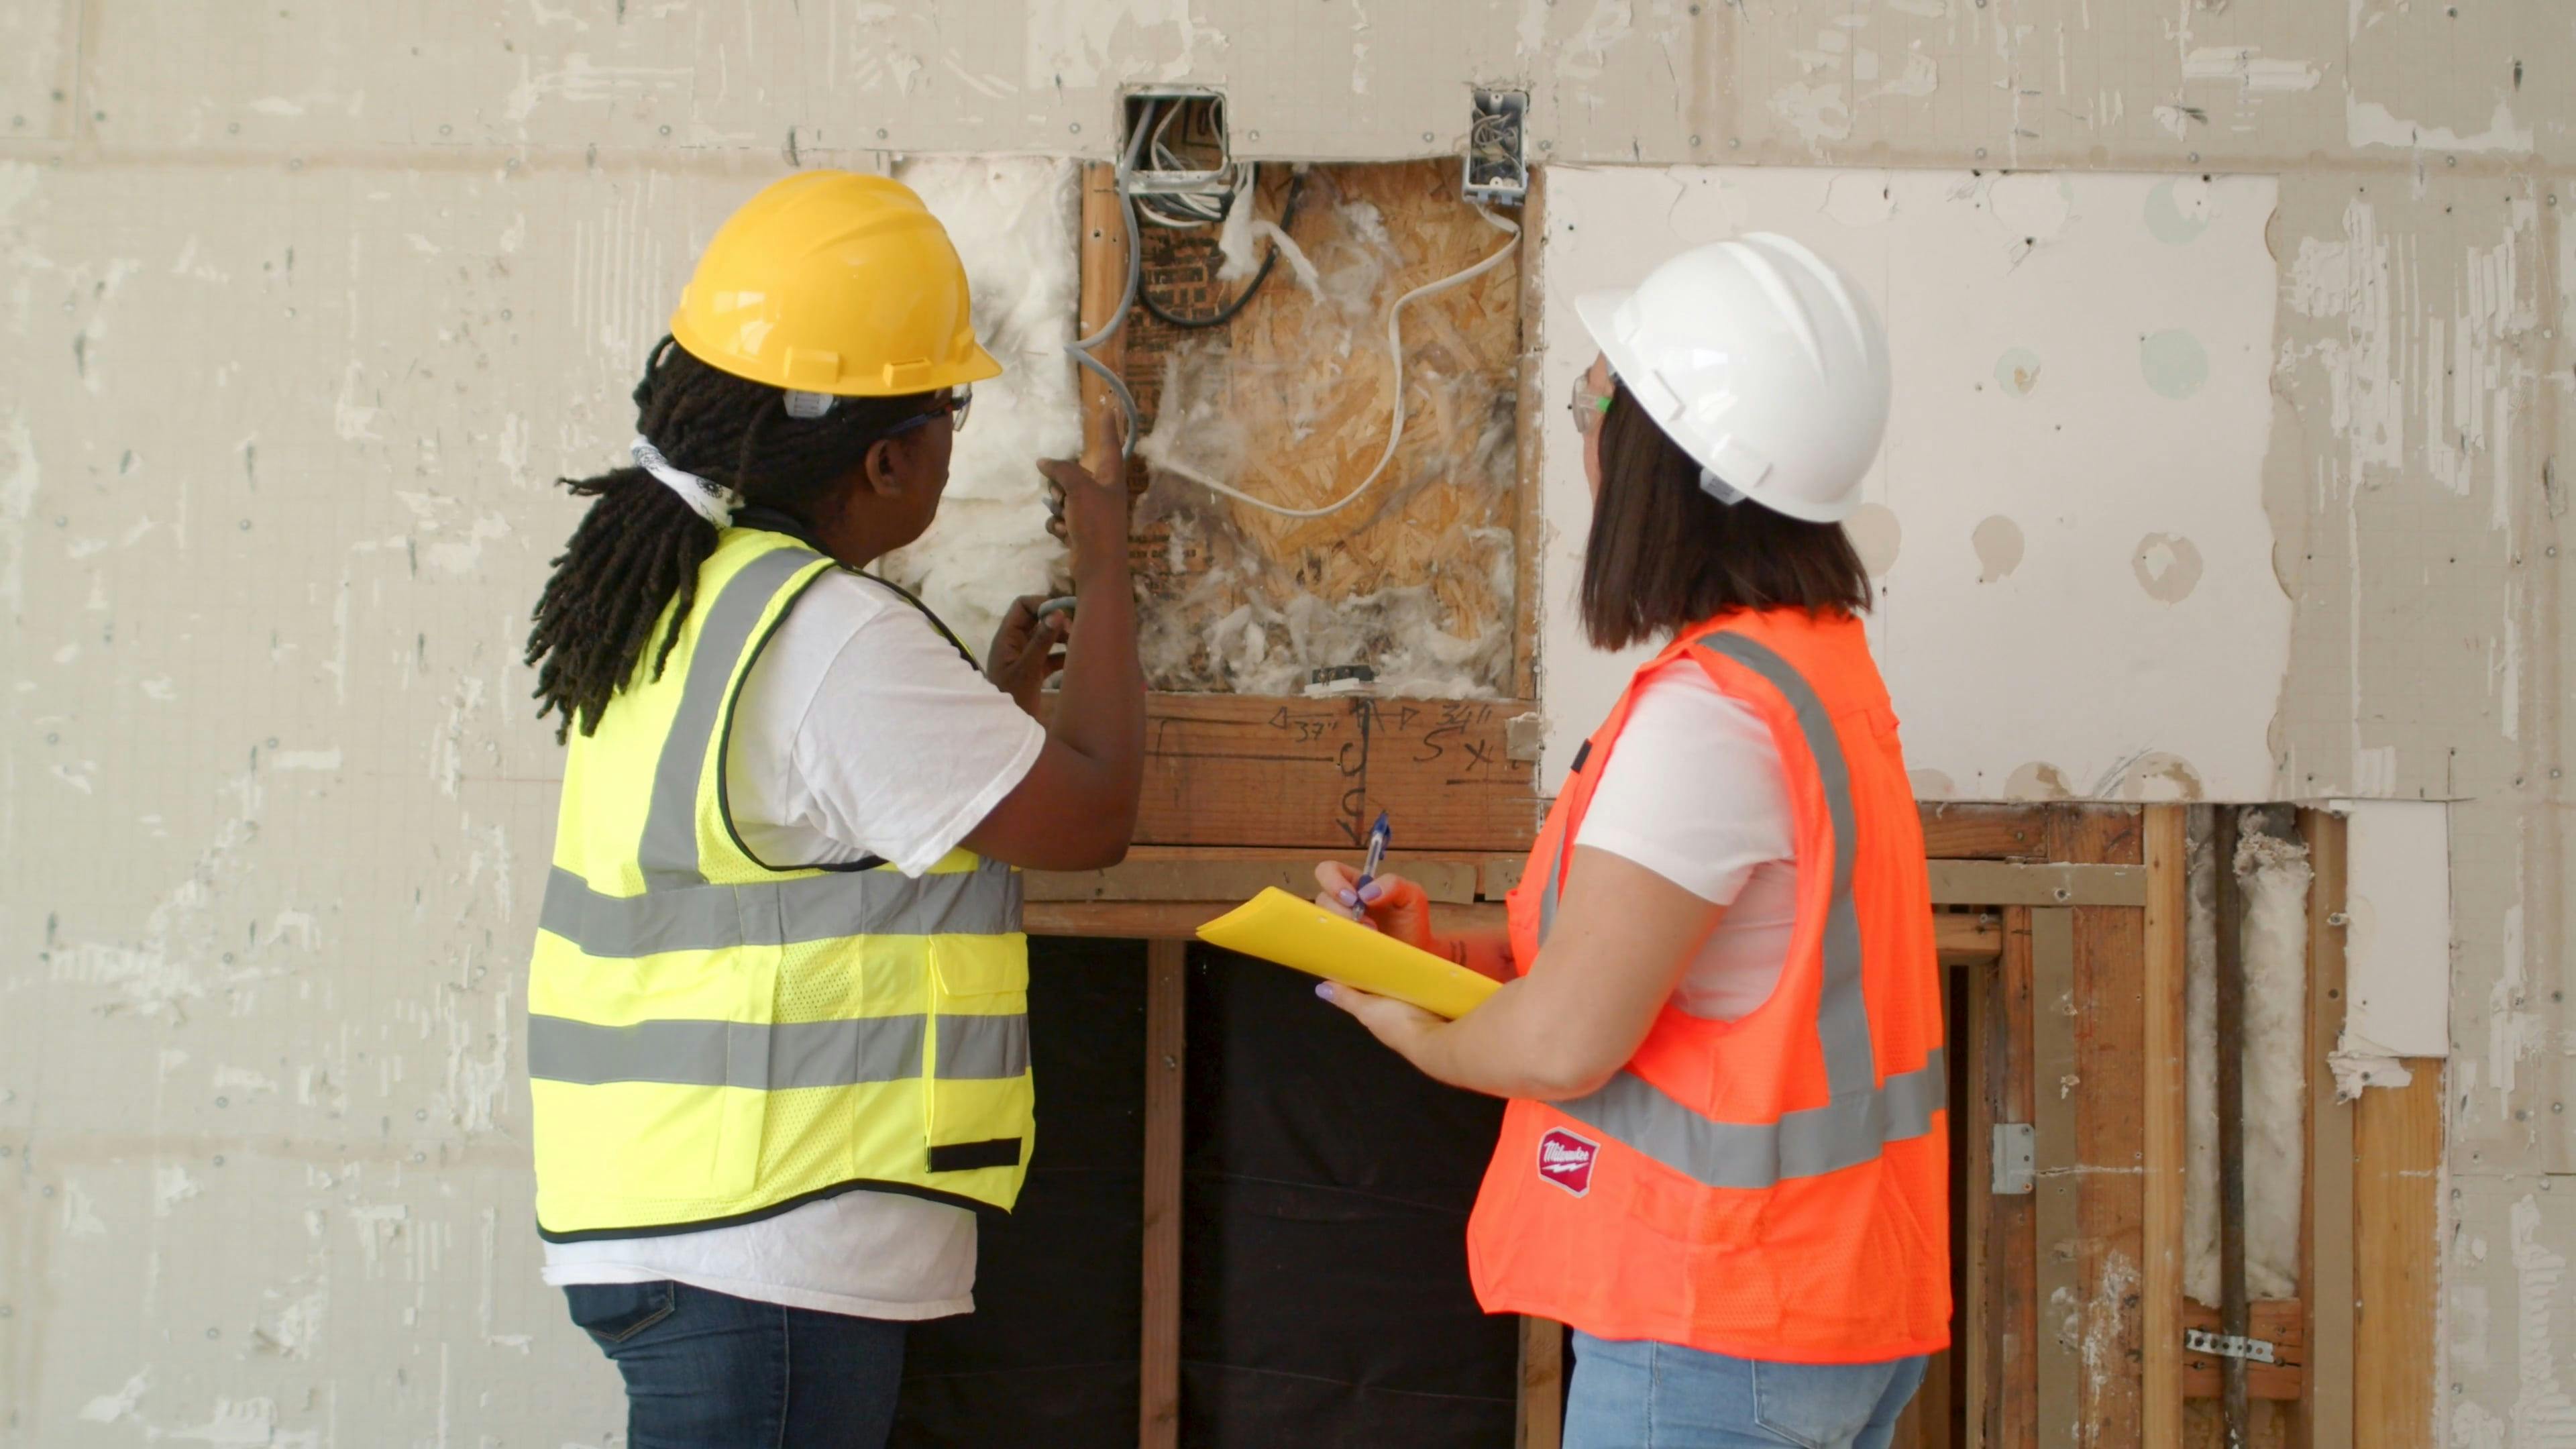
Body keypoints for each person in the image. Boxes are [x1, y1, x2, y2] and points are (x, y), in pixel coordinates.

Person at [519, 170, 1144, 1448]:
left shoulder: (689, 598)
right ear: (886, 456)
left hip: (666, 1217)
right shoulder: (827, 636)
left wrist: (979, 712)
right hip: (773, 1247)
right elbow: (1093, 820)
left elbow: (796, 846)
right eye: (950, 411)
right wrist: (1110, 565)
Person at [1311, 234, 1947, 1449]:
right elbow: (1680, 981)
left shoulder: (1711, 718)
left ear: (1660, 454)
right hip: (1822, 1303)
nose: (1582, 430)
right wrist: (1441, 962)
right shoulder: (1807, 672)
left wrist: (1410, 1028)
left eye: (1595, 401)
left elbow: (1566, 1044)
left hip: (1719, 1318)